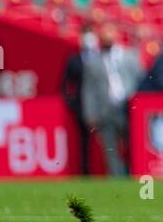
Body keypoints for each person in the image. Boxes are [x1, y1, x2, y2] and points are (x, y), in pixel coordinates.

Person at [81, 23, 143, 176]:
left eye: (109, 32)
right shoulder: (93, 62)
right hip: (105, 109)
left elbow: (140, 80)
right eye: (103, 33)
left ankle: (134, 174)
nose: (107, 36)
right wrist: (90, 113)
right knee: (110, 148)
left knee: (133, 144)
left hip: (128, 108)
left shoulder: (129, 56)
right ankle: (117, 177)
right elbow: (89, 89)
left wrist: (140, 105)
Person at [61, 23, 98, 176]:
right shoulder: (74, 60)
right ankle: (85, 172)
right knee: (84, 142)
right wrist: (72, 103)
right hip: (82, 107)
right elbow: (64, 84)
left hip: (102, 106)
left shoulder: (101, 58)